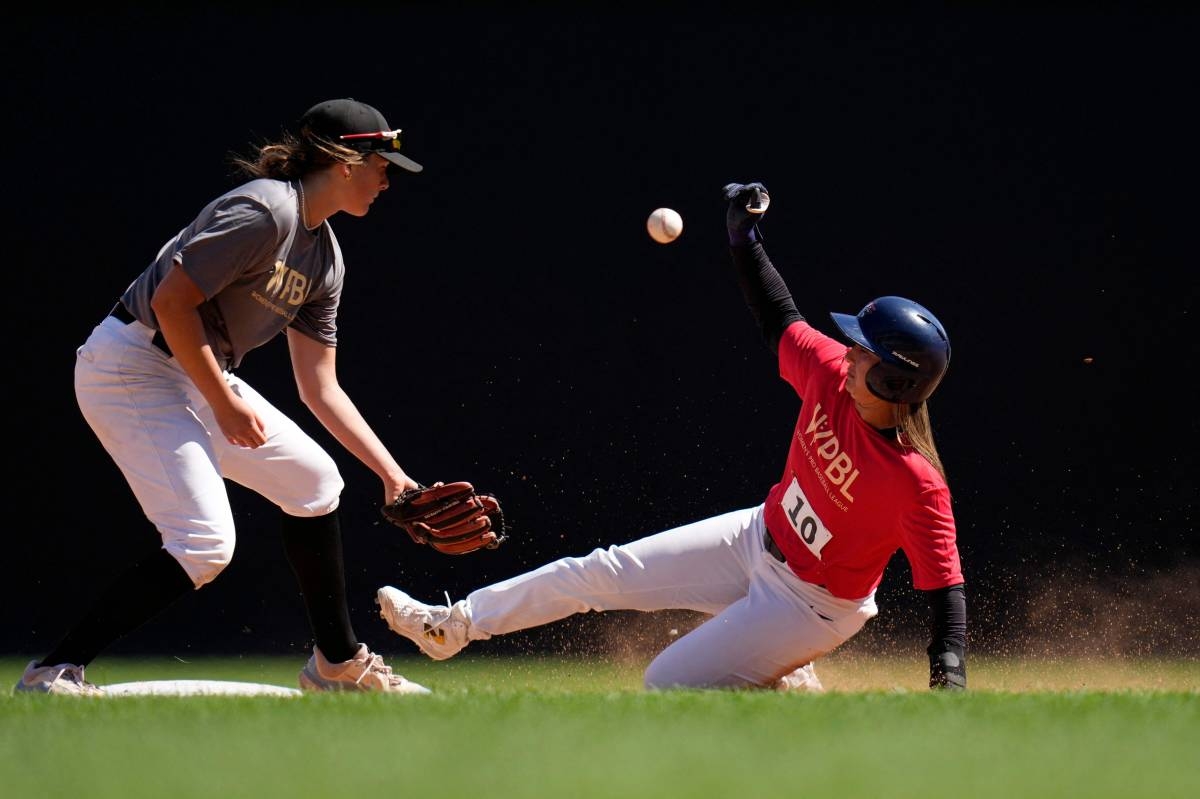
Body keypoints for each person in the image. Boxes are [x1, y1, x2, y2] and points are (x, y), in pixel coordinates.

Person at [376, 181, 967, 692]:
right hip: (756, 535)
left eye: (864, 348)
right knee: (597, 572)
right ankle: (451, 625)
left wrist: (949, 680)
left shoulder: (914, 481)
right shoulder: (833, 374)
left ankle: (783, 680)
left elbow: (945, 590)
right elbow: (777, 315)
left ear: (892, 380)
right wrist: (745, 240)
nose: (850, 350)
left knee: (666, 682)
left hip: (811, 604)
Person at [15, 99, 434, 696]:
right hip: (131, 364)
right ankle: (52, 672)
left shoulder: (326, 257)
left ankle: (338, 667)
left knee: (315, 482)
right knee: (205, 543)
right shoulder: (264, 210)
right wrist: (223, 401)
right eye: (382, 164)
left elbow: (320, 386)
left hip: (197, 370)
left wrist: (396, 479)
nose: (389, 179)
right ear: (345, 162)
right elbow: (169, 304)